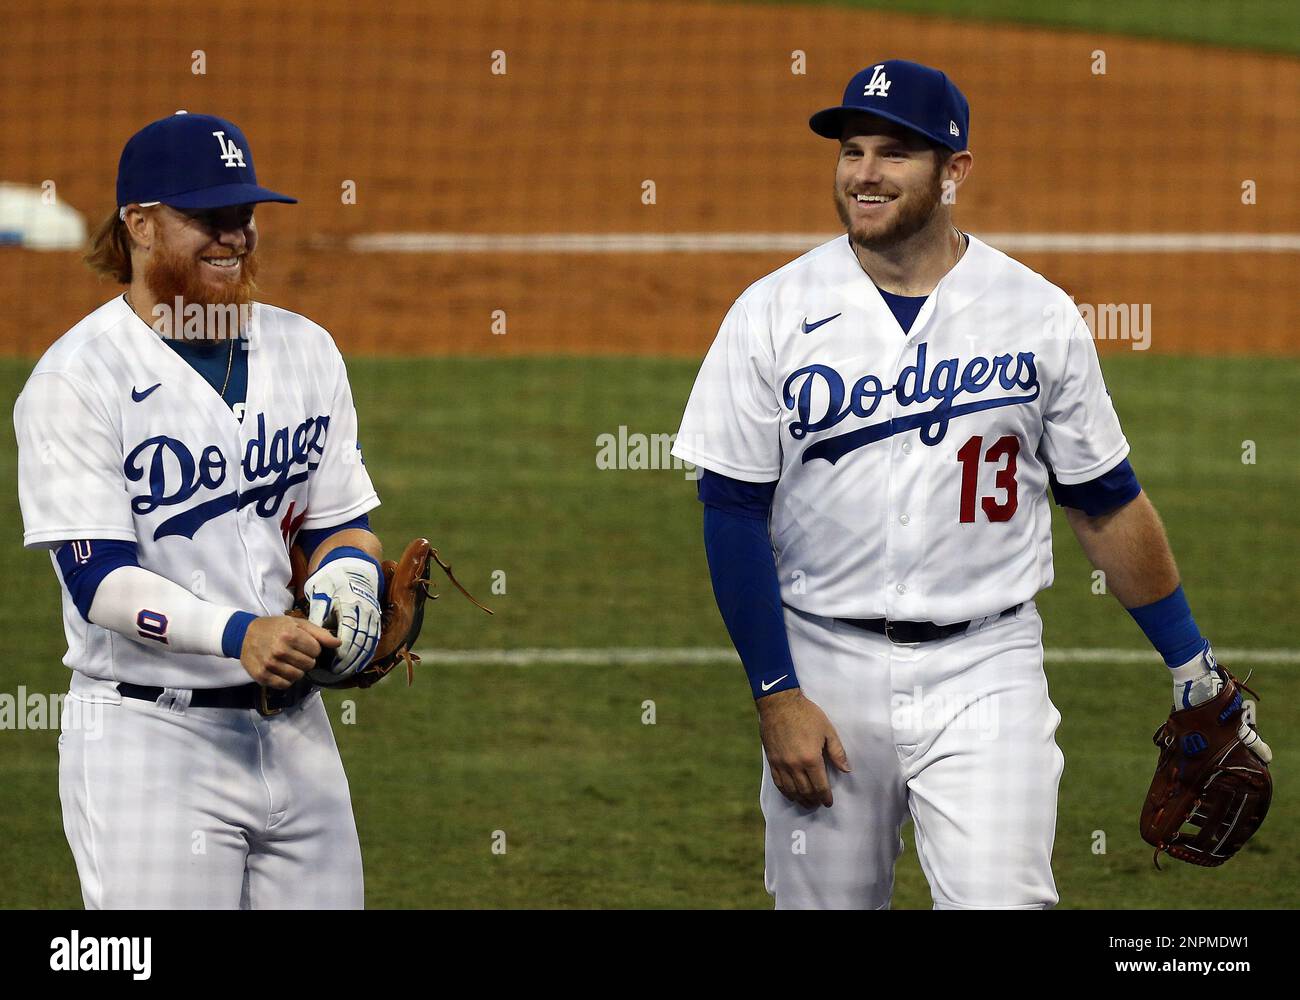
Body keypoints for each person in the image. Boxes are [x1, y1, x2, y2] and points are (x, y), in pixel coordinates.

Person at [670, 60, 1271, 909]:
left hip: (987, 670)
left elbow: (1104, 502)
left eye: (893, 154)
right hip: (824, 666)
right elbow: (731, 512)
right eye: (852, 151)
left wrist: (1192, 664)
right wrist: (777, 695)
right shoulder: (770, 312)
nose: (864, 174)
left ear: (954, 172)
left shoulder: (1038, 313)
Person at [14, 111, 386, 909]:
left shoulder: (305, 349)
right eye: (206, 219)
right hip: (150, 744)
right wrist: (240, 634)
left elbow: (336, 520)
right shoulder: (77, 381)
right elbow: (100, 582)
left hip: (296, 734)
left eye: (242, 216)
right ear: (140, 226)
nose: (234, 237)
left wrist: (350, 583)